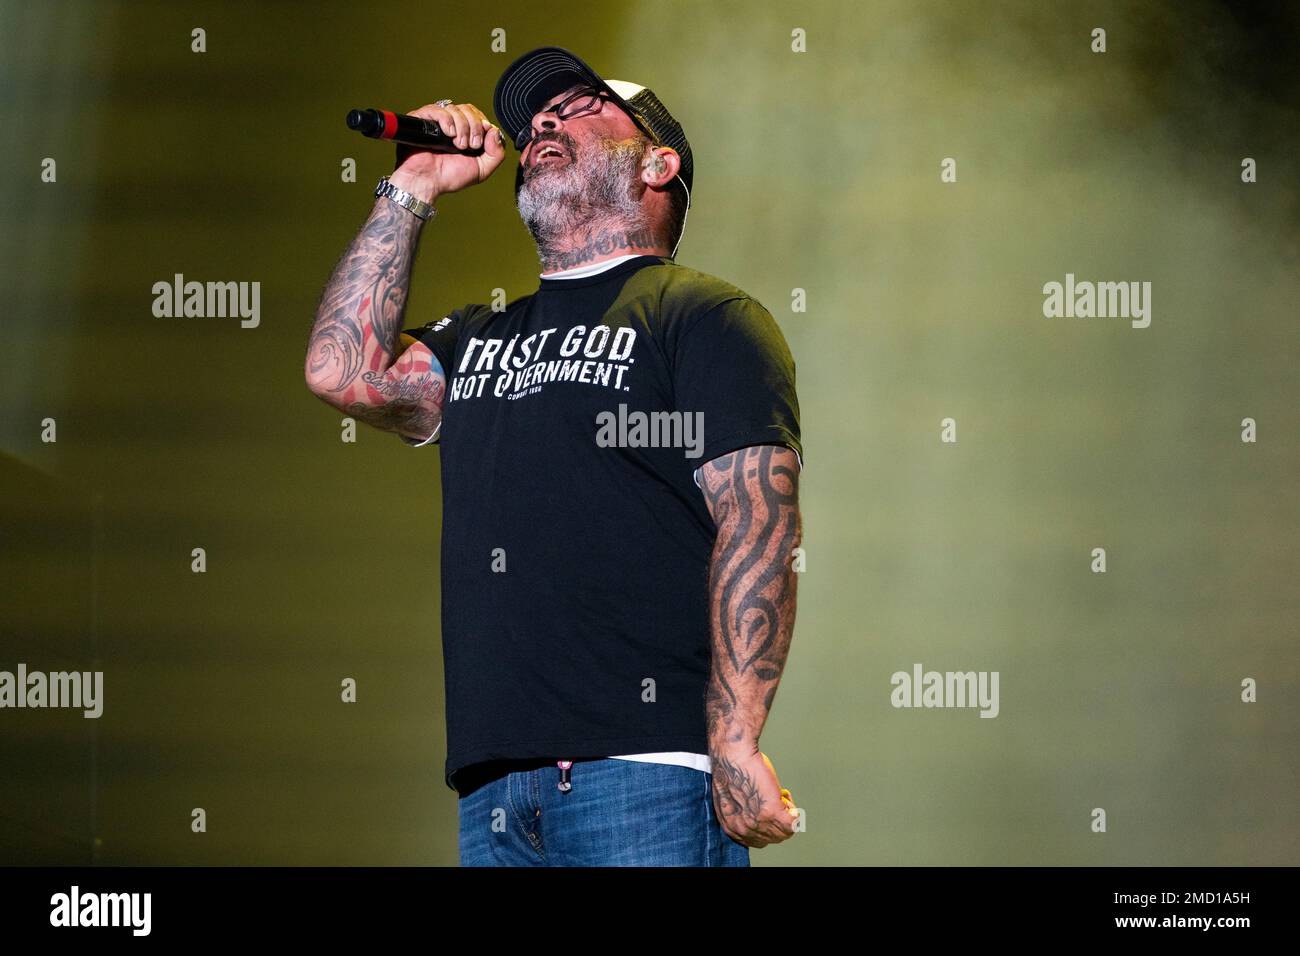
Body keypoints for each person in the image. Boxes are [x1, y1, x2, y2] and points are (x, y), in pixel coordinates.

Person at [305, 46, 804, 866]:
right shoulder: (478, 336)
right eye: (537, 114)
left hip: (648, 775)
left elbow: (757, 523)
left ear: (658, 160)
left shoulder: (705, 315)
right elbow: (342, 372)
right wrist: (414, 187)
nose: (542, 120)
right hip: (497, 788)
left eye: (580, 107)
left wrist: (737, 739)